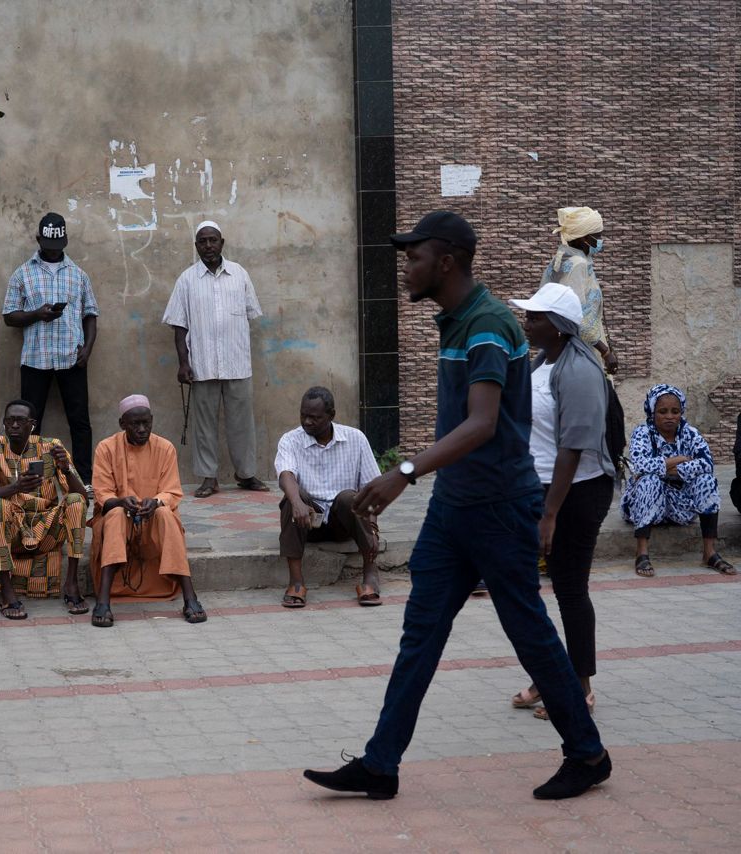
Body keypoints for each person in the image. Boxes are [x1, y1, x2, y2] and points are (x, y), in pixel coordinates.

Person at [303, 211, 609, 802]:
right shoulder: (459, 321)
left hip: (498, 507)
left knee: (530, 633)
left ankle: (588, 754)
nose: (407, 267)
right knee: (420, 634)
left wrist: (404, 472)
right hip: (455, 509)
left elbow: (483, 424)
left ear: (446, 260)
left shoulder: (489, 325)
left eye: (414, 257)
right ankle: (380, 764)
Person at [506, 282, 617, 720]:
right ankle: (550, 673)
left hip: (576, 493)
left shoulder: (579, 371)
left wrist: (550, 513)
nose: (527, 322)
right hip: (537, 489)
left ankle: (579, 688)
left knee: (570, 590)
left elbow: (573, 447)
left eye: (534, 316)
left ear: (557, 325)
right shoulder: (542, 362)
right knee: (527, 591)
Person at [162, 221, 268, 497]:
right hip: (203, 364)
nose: (208, 246)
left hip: (237, 362)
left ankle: (246, 474)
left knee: (242, 423)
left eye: (213, 240)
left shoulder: (240, 275)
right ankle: (209, 478)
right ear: (196, 246)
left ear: (222, 242)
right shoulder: (186, 280)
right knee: (204, 425)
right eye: (202, 241)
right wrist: (184, 363)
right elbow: (179, 326)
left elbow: (249, 313)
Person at [88, 394, 206, 628]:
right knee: (114, 515)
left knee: (166, 514)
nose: (142, 429)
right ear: (123, 424)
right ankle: (103, 600)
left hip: (151, 520)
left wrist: (156, 502)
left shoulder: (165, 448)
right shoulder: (106, 448)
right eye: (135, 424)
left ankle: (190, 597)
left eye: (146, 423)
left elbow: (172, 492)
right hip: (120, 518)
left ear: (152, 420)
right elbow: (102, 494)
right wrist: (122, 502)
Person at [2, 213, 99, 490]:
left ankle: (84, 479)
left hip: (71, 358)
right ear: (38, 240)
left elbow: (91, 314)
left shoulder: (78, 275)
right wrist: (37, 315)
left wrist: (88, 349)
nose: (53, 250)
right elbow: (9, 316)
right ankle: (32, 480)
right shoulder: (23, 273)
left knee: (80, 421)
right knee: (30, 424)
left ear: (65, 241)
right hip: (35, 359)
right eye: (48, 244)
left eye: (58, 245)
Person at [0, 400, 89, 619]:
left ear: (32, 425)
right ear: (4, 424)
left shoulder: (50, 446)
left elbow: (84, 497)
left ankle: (72, 583)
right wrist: (15, 487)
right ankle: (7, 592)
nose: (14, 426)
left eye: (20, 421)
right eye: (10, 420)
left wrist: (65, 469)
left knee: (75, 500)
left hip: (47, 530)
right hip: (13, 531)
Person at [274, 387, 383, 608]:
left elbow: (372, 490)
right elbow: (286, 474)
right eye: (303, 415)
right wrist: (297, 503)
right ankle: (296, 582)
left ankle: (370, 574)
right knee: (292, 498)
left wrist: (372, 529)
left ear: (331, 415)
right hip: (307, 521)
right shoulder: (290, 440)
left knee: (348, 497)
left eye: (314, 417)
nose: (307, 421)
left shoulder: (356, 439)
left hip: (343, 522)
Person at [621, 384, 733, 577]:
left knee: (705, 481)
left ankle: (709, 552)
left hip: (680, 503)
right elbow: (638, 467)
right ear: (652, 411)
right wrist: (680, 459)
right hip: (644, 502)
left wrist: (669, 469)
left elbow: (707, 463)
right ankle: (642, 552)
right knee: (649, 481)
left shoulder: (690, 433)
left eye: (675, 411)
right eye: (662, 411)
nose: (669, 416)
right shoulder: (643, 433)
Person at [541, 207, 617, 373]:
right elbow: (576, 315)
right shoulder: (577, 264)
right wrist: (605, 352)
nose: (600, 241)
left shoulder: (565, 256)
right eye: (597, 236)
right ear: (584, 239)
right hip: (580, 347)